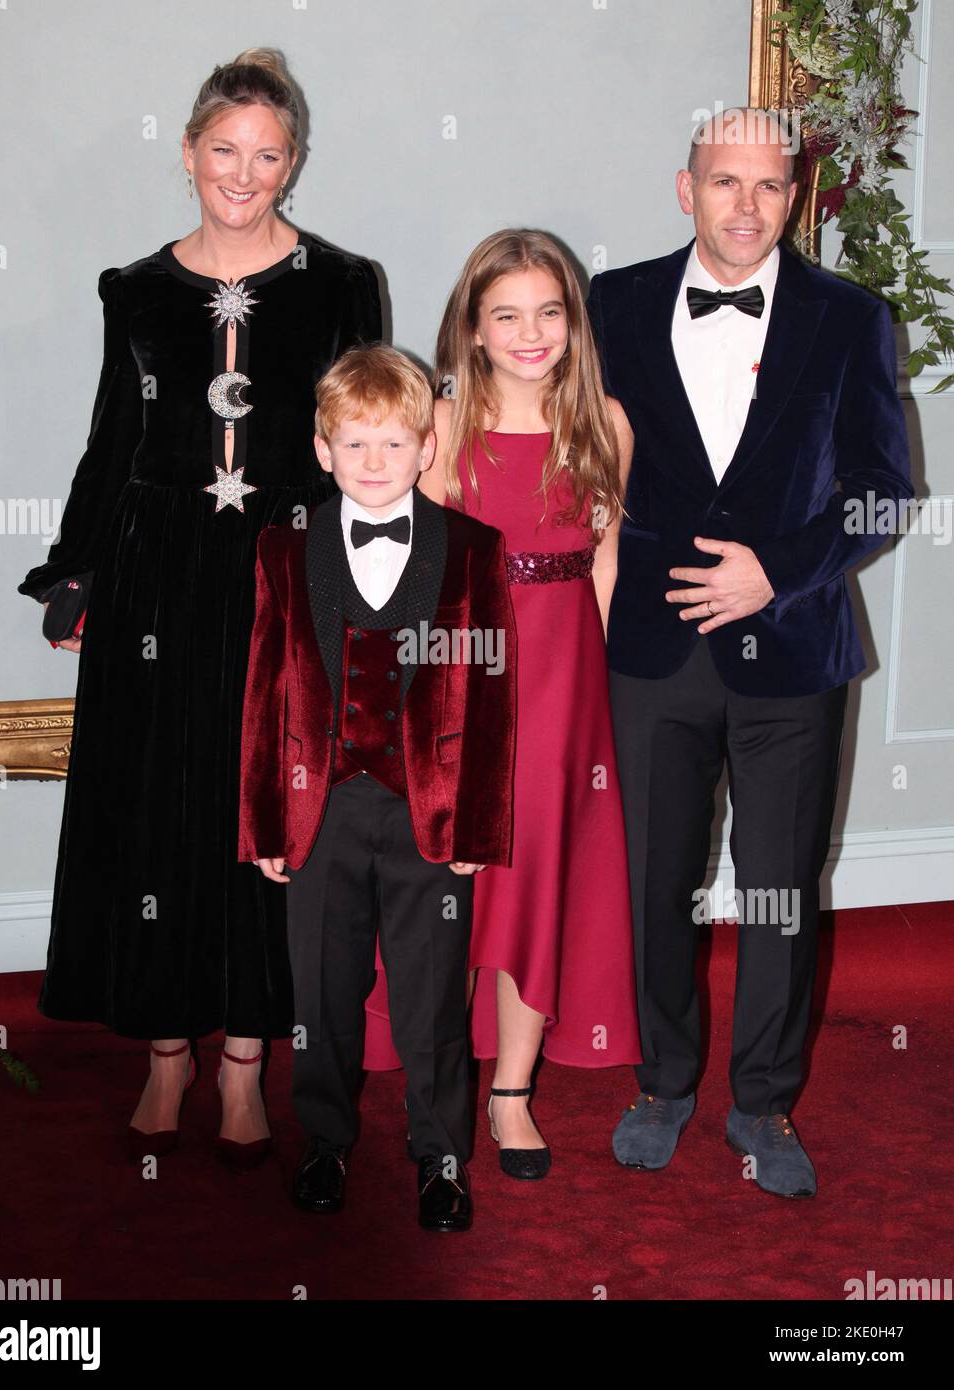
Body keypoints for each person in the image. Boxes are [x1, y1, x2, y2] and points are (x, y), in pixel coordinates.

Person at [17, 48, 381, 1171]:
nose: (244, 171)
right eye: (225, 149)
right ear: (187, 153)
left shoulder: (341, 283)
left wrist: (358, 585)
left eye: (268, 154)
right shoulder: (134, 290)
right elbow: (110, 444)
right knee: (157, 809)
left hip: (283, 574)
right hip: (154, 578)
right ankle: (168, 1047)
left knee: (261, 814)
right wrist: (76, 572)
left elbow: (356, 443)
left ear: (293, 163)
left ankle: (244, 1061)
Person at [589, 108, 914, 1196]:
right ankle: (663, 1082)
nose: (746, 206)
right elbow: (563, 458)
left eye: (769, 187)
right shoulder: (610, 304)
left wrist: (777, 571)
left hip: (796, 648)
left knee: (778, 889)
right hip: (651, 647)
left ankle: (765, 1103)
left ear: (796, 196)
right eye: (725, 183)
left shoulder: (852, 317)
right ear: (686, 190)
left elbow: (883, 491)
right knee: (658, 884)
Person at [363, 229, 642, 1179]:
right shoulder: (438, 425)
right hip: (463, 676)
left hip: (567, 683)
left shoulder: (604, 422)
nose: (531, 334)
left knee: (539, 880)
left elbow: (602, 562)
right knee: (451, 883)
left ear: (572, 322)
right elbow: (412, 574)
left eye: (548, 313)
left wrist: (589, 694)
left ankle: (511, 1091)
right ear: (473, 329)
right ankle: (436, 1073)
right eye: (506, 316)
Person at [238, 345, 517, 1231]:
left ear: (426, 447)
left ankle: (441, 1155)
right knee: (321, 993)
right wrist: (265, 822)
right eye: (353, 445)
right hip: (318, 811)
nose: (372, 463)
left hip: (426, 815)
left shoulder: (471, 550)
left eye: (392, 445)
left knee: (430, 994)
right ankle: (325, 1140)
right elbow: (262, 688)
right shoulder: (285, 550)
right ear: (322, 450)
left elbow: (491, 694)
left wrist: (477, 824)